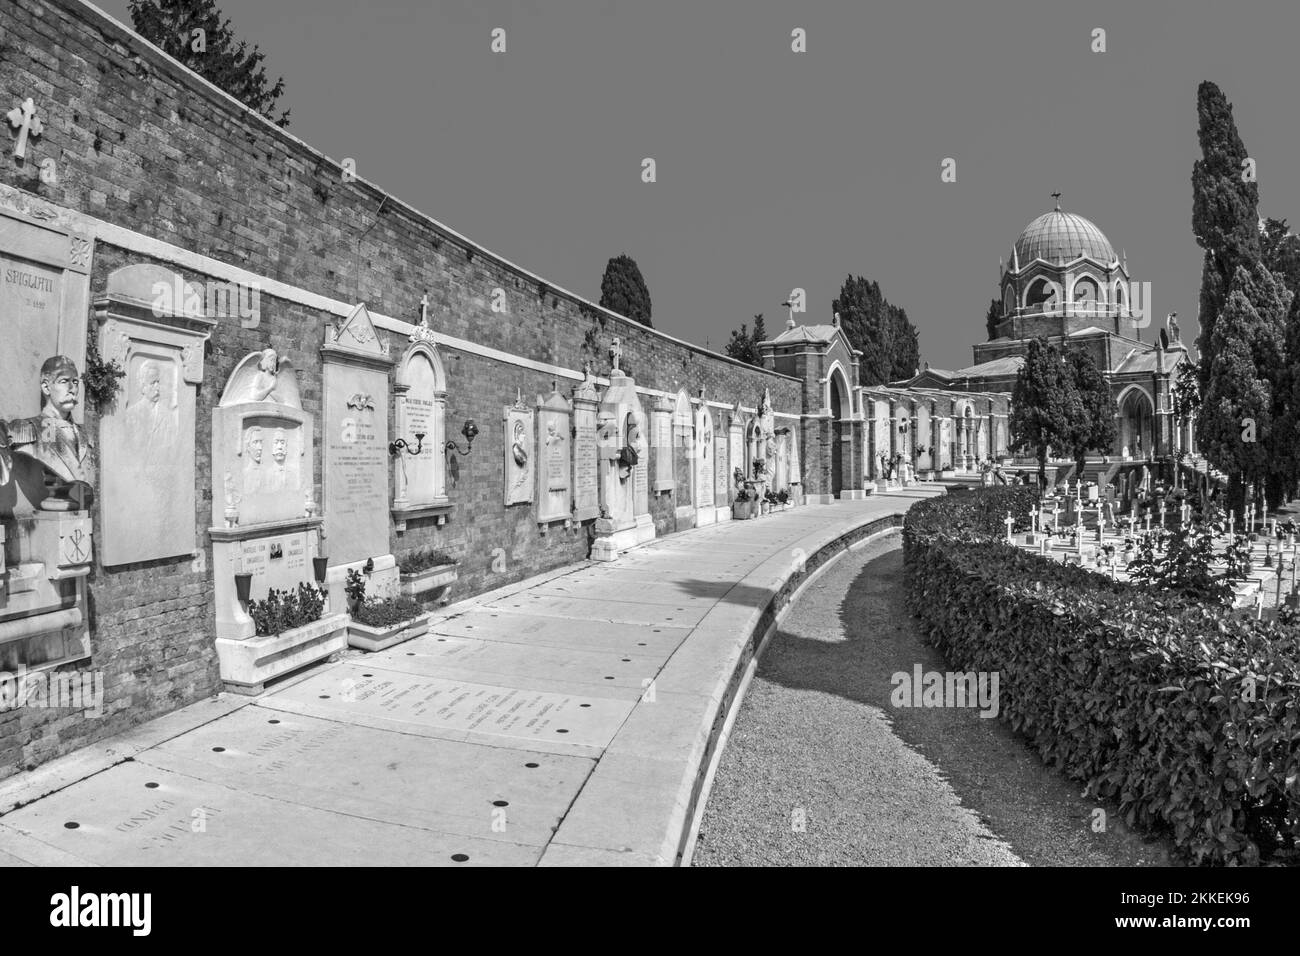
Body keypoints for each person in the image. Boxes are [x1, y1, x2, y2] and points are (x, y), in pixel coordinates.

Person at [8, 354, 96, 489]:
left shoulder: (84, 434)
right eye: (64, 381)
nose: (72, 389)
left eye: (75, 382)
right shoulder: (26, 428)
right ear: (46, 387)